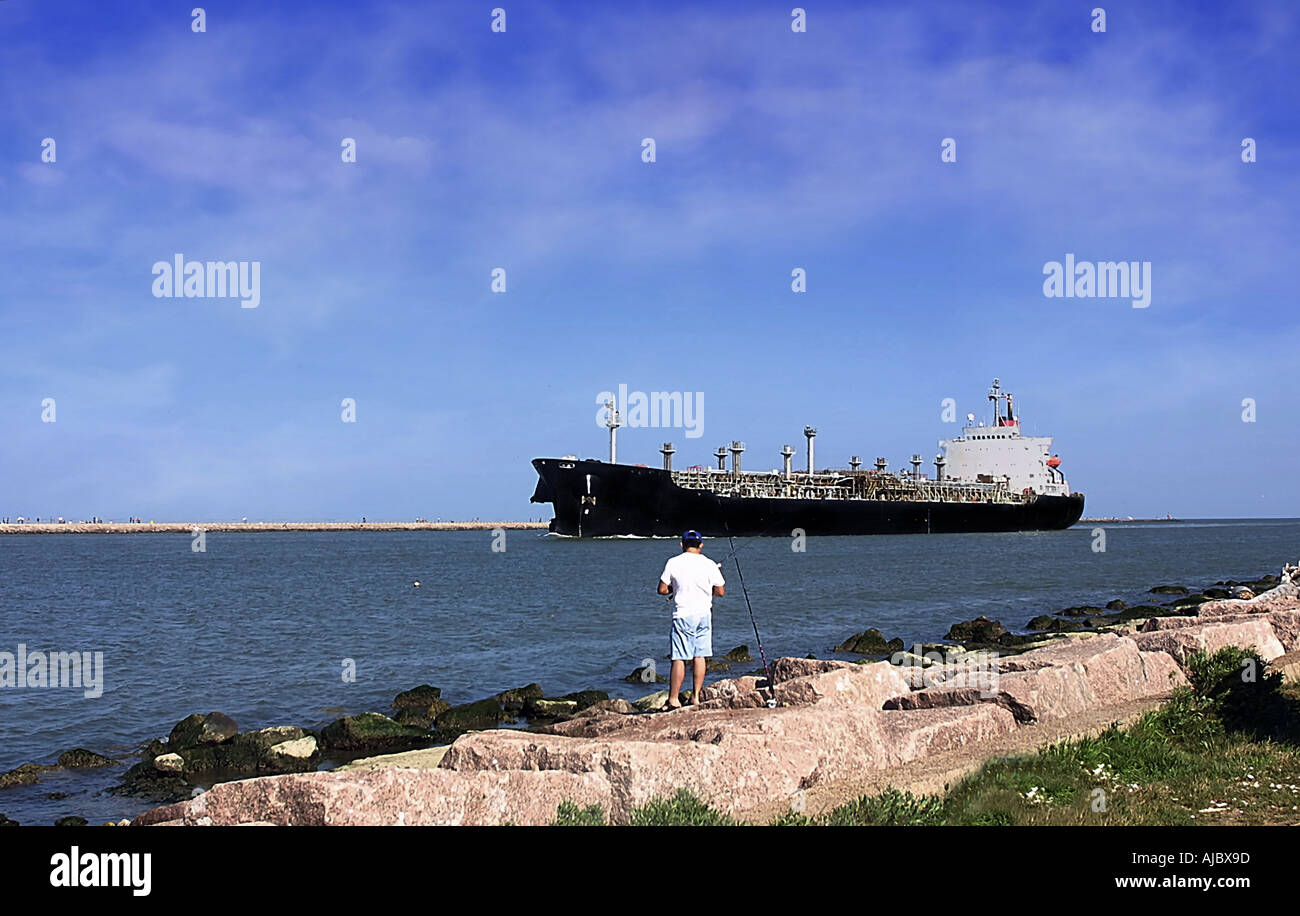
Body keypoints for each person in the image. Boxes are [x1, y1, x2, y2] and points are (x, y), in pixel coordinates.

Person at [657, 529, 725, 709]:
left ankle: (673, 699)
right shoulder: (710, 564)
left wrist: (674, 590)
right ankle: (695, 696)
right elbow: (720, 591)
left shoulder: (673, 562)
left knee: (679, 657)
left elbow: (662, 590)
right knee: (700, 656)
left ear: (682, 544)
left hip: (683, 615)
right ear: (701, 545)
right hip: (704, 615)